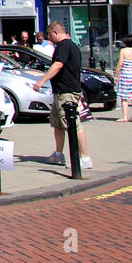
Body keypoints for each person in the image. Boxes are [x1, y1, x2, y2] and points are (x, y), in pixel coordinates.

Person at [31, 22, 91, 169]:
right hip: (61, 92)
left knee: (73, 124)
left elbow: (58, 65)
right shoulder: (73, 46)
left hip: (67, 93)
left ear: (56, 33)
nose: (50, 39)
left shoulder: (64, 46)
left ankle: (84, 158)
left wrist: (42, 81)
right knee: (58, 124)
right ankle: (58, 154)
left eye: (50, 36)